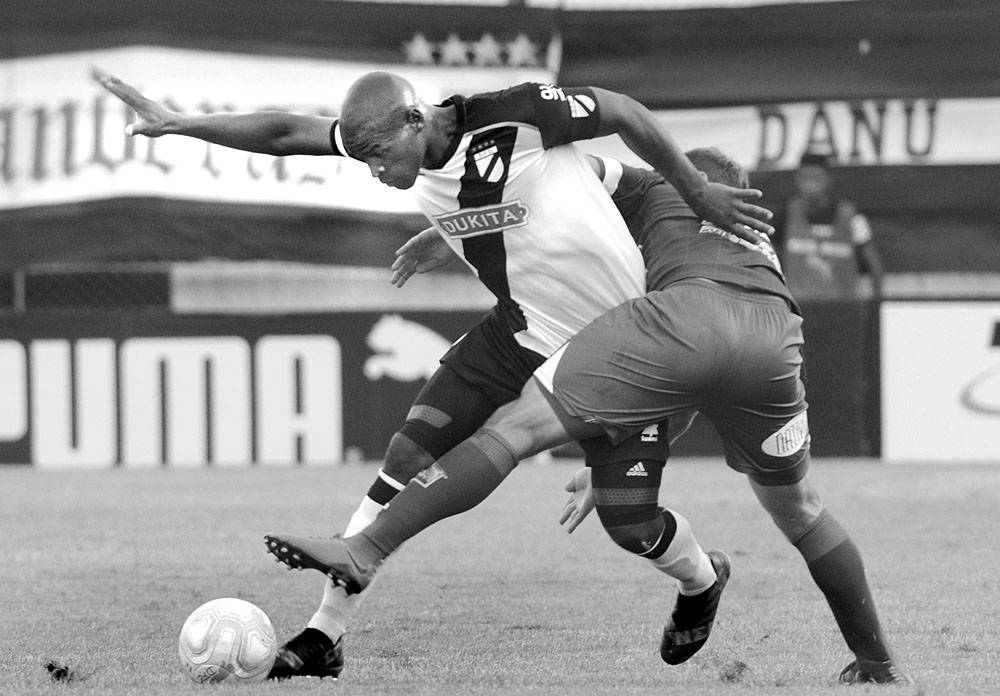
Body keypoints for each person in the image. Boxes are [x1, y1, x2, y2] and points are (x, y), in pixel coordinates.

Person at [94, 69, 773, 679]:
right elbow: (284, 134)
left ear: (415, 120)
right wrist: (179, 124)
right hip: (520, 330)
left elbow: (622, 111)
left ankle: (700, 579)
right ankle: (325, 634)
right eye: (362, 157)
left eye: (379, 155)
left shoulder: (519, 116)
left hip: (616, 346)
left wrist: (697, 192)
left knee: (631, 525)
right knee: (406, 453)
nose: (373, 169)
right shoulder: (395, 141)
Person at [266, 148, 918, 690]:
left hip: (676, 322)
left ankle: (366, 547)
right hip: (773, 343)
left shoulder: (658, 184)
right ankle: (878, 664)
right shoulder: (758, 237)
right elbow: (711, 365)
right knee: (799, 510)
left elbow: (557, 179)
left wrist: (453, 231)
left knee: (515, 429)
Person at [777, 151, 884, 302]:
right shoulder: (786, 214)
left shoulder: (852, 216)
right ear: (797, 179)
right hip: (797, 307)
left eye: (816, 177)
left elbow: (872, 260)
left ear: (828, 179)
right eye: (805, 177)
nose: (810, 184)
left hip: (842, 307)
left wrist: (876, 303)